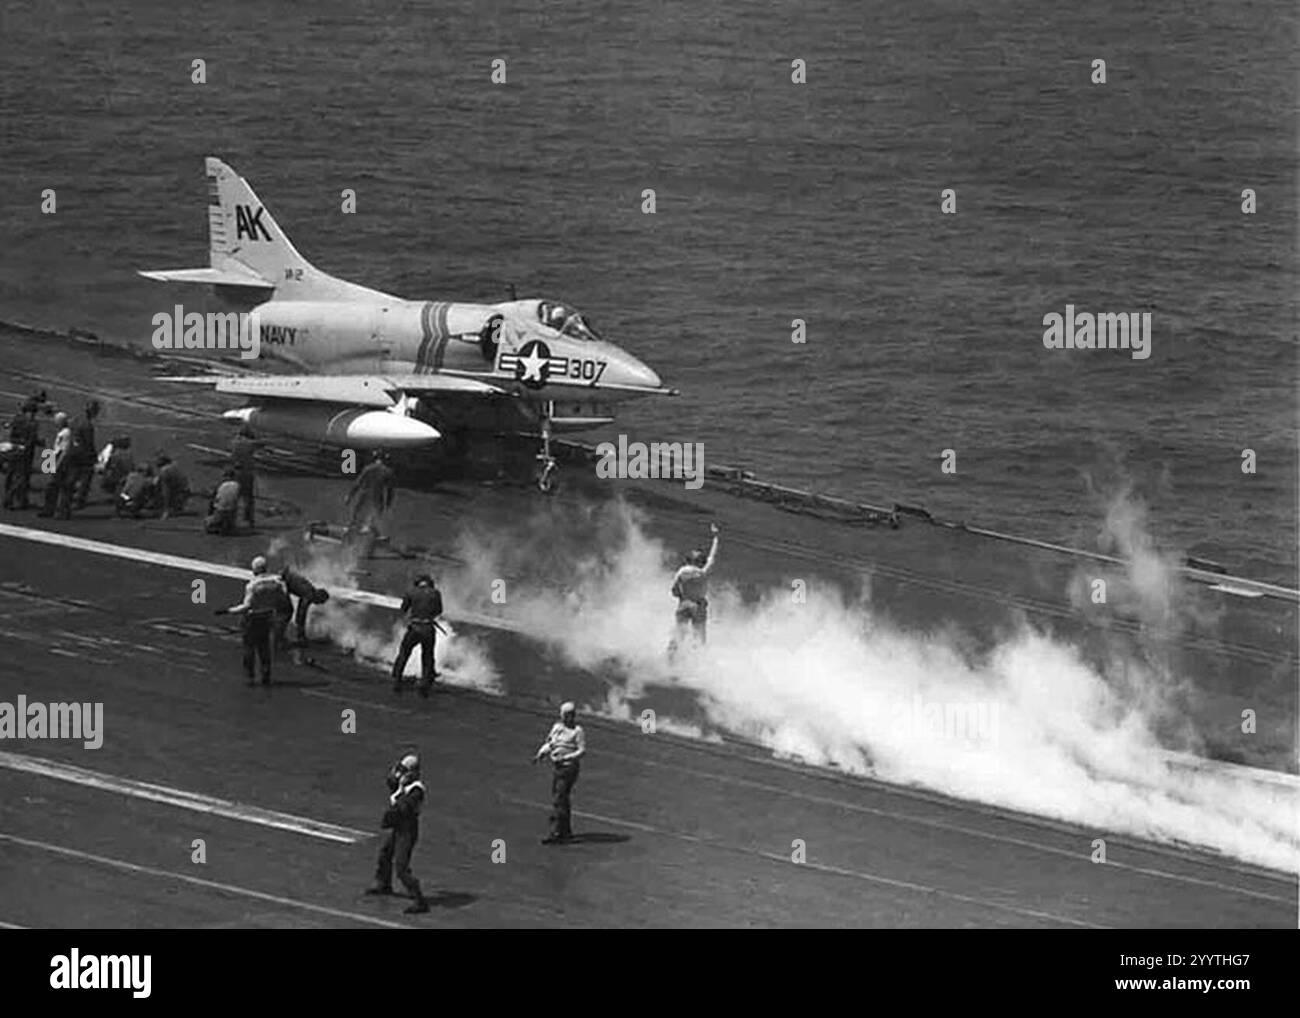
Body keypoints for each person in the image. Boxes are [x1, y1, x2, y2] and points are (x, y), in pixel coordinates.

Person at [365, 753, 430, 914]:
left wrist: (399, 789)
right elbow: (390, 783)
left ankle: (419, 900)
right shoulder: (405, 785)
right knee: (386, 853)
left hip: (407, 830)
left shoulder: (417, 790)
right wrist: (395, 779)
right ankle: (383, 883)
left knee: (401, 867)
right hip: (399, 826)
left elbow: (403, 807)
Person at [217, 555, 288, 686]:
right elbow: (282, 599)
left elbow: (246, 606)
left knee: (249, 648)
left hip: (252, 620)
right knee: (264, 648)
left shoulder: (252, 586)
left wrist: (228, 611)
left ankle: (250, 676)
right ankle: (266, 675)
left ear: (255, 570)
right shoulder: (276, 584)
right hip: (267, 618)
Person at [533, 702, 586, 844]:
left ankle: (556, 831)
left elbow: (581, 751)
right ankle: (565, 831)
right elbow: (550, 744)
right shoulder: (557, 728)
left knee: (559, 798)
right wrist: (541, 754)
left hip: (569, 768)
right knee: (561, 798)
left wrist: (567, 757)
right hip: (558, 767)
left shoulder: (577, 731)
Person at [668, 523, 720, 659]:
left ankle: (669, 659)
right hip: (698, 606)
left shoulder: (681, 571)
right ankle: (696, 663)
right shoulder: (703, 572)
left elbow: (674, 591)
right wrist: (716, 537)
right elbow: (713, 556)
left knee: (679, 633)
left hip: (684, 604)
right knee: (699, 636)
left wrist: (682, 596)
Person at [390, 573, 443, 696]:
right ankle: (425, 682)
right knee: (427, 656)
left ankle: (397, 678)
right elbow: (439, 611)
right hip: (428, 628)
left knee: (404, 653)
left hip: (414, 627)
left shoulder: (411, 592)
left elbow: (403, 608)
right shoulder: (435, 593)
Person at [346, 450, 396, 537]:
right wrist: (388, 504)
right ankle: (370, 538)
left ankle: (351, 535)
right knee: (373, 520)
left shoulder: (368, 469)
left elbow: (357, 484)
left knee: (357, 518)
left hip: (365, 496)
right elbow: (390, 491)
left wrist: (350, 496)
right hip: (377, 499)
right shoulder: (388, 472)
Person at [2, 398, 40, 510]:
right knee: (21, 478)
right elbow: (31, 439)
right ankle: (11, 499)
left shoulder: (17, 418)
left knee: (11, 474)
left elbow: (11, 433)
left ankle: (20, 499)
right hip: (25, 453)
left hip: (13, 448)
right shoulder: (32, 424)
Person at [279, 563, 329, 647]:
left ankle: (282, 635)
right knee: (287, 612)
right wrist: (301, 635)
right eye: (320, 602)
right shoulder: (309, 595)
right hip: (284, 583)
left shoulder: (311, 591)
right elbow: (301, 614)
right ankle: (280, 638)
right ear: (319, 597)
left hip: (286, 579)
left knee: (287, 611)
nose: (317, 604)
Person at [38, 412, 73, 519]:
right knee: (55, 486)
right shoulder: (63, 432)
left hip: (60, 461)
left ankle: (52, 509)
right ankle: (54, 509)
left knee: (54, 486)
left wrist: (56, 465)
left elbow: (64, 451)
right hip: (55, 458)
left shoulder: (66, 433)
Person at [68, 399, 101, 510]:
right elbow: (89, 443)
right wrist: (94, 458)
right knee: (85, 478)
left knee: (72, 476)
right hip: (83, 455)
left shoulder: (77, 420)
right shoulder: (88, 426)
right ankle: (79, 500)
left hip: (73, 452)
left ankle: (68, 498)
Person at [228, 424, 261, 529]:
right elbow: (258, 445)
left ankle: (232, 519)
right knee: (248, 498)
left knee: (235, 496)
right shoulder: (250, 444)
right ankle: (249, 519)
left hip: (236, 472)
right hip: (247, 473)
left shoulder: (234, 442)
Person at [204, 470, 241, 535]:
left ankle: (215, 524)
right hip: (232, 511)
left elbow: (213, 499)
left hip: (220, 511)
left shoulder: (221, 485)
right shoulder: (237, 485)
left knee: (207, 521)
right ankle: (229, 526)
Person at [155, 454, 190, 519]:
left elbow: (166, 492)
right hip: (184, 491)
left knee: (159, 490)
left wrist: (166, 510)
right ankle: (177, 505)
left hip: (180, 493)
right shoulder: (173, 466)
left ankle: (171, 507)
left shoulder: (165, 472)